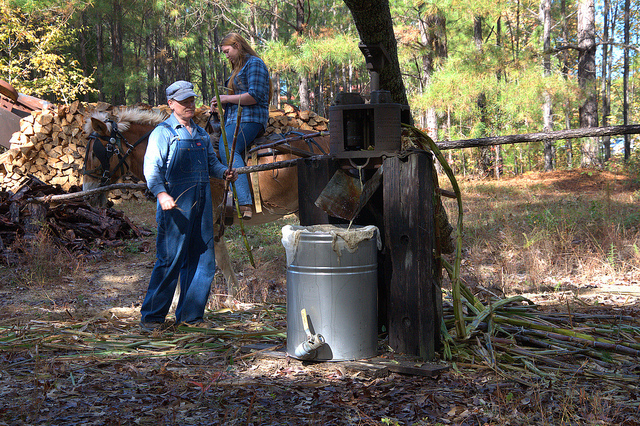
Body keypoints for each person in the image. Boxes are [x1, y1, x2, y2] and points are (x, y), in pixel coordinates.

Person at [140, 80, 237, 331]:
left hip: (202, 203)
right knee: (170, 259)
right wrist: (161, 194)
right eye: (183, 102)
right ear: (171, 104)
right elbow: (151, 170)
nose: (189, 105)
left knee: (203, 260)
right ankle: (152, 318)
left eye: (192, 100)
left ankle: (190, 317)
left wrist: (224, 172)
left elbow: (211, 164)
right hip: (175, 206)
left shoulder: (202, 134)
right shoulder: (163, 133)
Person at [211, 32, 272, 220]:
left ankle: (244, 202)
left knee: (227, 147)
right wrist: (219, 106)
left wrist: (226, 98)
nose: (226, 55)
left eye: (227, 51)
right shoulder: (238, 68)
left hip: (251, 119)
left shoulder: (254, 63)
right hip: (235, 120)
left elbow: (254, 96)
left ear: (237, 45)